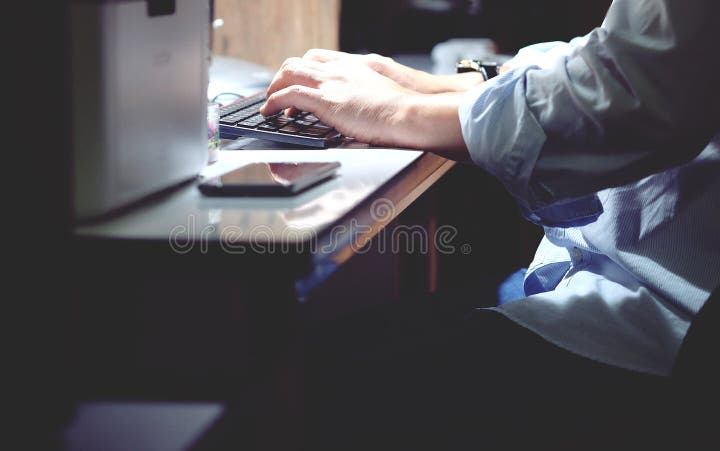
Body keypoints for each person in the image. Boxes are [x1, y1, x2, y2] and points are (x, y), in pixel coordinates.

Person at [261, 0, 720, 449]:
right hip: (629, 285)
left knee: (311, 380)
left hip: (668, 330)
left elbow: (632, 93)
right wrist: (427, 88)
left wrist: (395, 112)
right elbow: (617, 56)